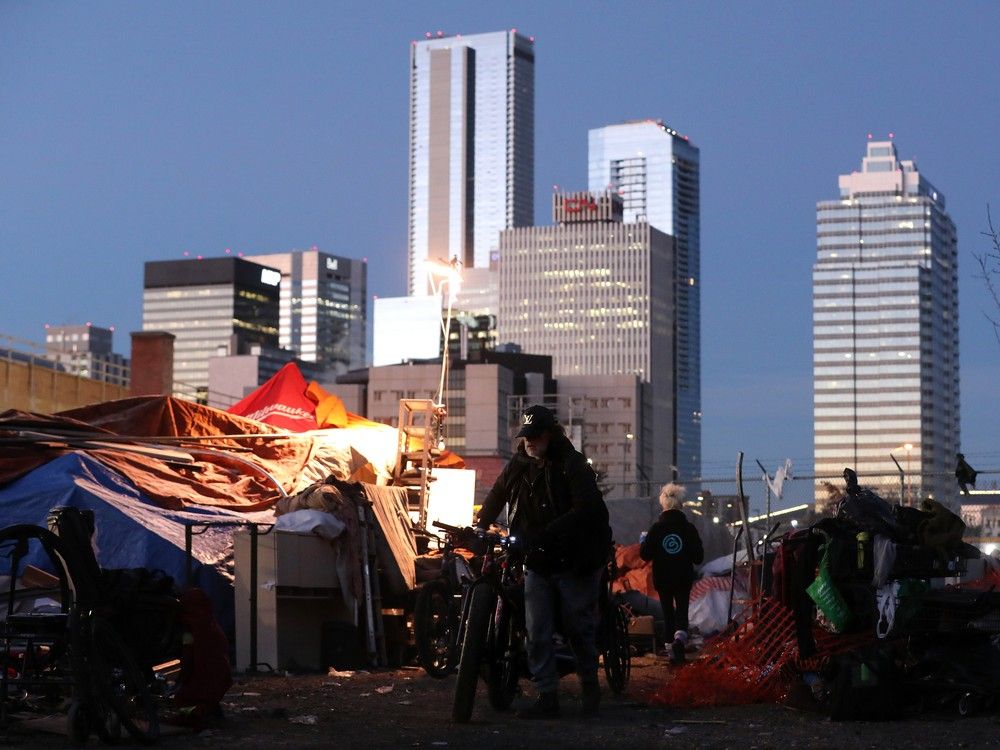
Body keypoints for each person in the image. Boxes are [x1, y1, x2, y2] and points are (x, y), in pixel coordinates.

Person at [476, 404, 612, 719]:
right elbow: (497, 494)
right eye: (526, 437)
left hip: (573, 561)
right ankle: (546, 695)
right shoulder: (519, 464)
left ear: (550, 435)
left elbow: (586, 509)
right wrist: (479, 526)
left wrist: (545, 533)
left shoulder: (572, 464)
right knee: (537, 629)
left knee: (576, 626)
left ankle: (589, 683)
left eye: (535, 437)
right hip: (536, 561)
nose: (529, 443)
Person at [640, 483, 704, 663]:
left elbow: (645, 555)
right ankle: (679, 641)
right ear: (681, 504)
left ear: (663, 504)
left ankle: (670, 651)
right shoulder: (689, 529)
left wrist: (645, 541)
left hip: (662, 577)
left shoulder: (656, 529)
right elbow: (698, 557)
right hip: (683, 577)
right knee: (682, 611)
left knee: (667, 613)